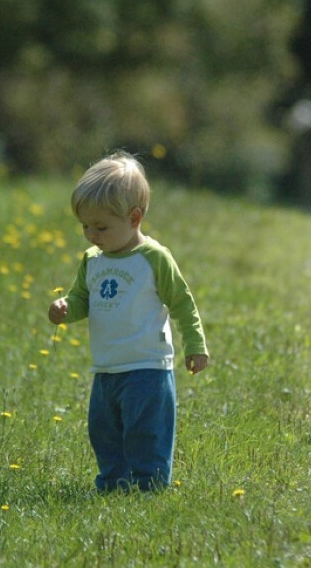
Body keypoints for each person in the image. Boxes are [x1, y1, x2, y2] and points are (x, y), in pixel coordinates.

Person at [47, 151, 209, 492]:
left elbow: (182, 303)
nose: (92, 234)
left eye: (101, 227)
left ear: (134, 218)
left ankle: (149, 485)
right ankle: (112, 484)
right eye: (85, 226)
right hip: (106, 368)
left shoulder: (153, 258)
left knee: (146, 430)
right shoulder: (93, 260)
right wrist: (64, 309)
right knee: (103, 430)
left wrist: (195, 346)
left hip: (147, 366)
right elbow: (82, 299)